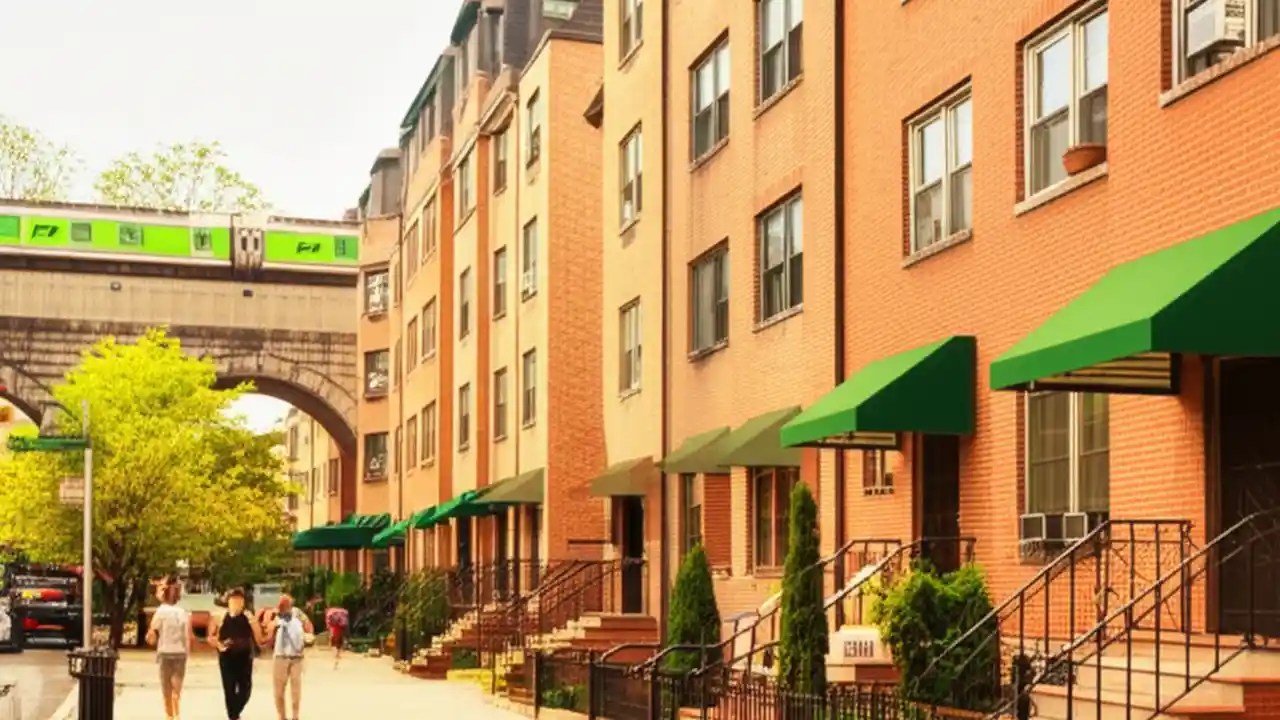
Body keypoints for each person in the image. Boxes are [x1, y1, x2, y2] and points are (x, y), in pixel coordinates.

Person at [208, 588, 265, 720]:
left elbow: (259, 637)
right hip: (226, 656)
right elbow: (211, 637)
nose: (236, 603)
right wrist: (219, 645)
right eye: (233, 600)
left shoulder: (249, 616)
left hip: (244, 656)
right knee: (229, 687)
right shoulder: (220, 617)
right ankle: (233, 716)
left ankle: (235, 711)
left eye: (239, 600)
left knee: (245, 688)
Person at [146, 581, 193, 720]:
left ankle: (169, 716)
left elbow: (152, 633)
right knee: (176, 689)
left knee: (166, 689)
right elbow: (188, 635)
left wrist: (150, 637)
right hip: (180, 653)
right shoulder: (183, 612)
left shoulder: (160, 612)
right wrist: (187, 652)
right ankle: (177, 714)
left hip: (165, 653)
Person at [265, 594, 313, 720]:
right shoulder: (274, 615)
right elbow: (268, 629)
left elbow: (308, 626)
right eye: (282, 604)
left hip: (296, 656)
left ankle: (295, 716)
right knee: (279, 691)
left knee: (296, 690)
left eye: (286, 603)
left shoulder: (297, 613)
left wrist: (307, 637)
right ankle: (282, 716)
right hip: (280, 656)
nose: (284, 606)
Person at [324, 604, 348, 669]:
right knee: (339, 643)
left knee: (333, 643)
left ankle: (335, 657)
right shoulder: (342, 613)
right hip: (340, 631)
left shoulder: (330, 614)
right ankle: (338, 654)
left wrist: (328, 627)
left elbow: (328, 623)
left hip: (334, 631)